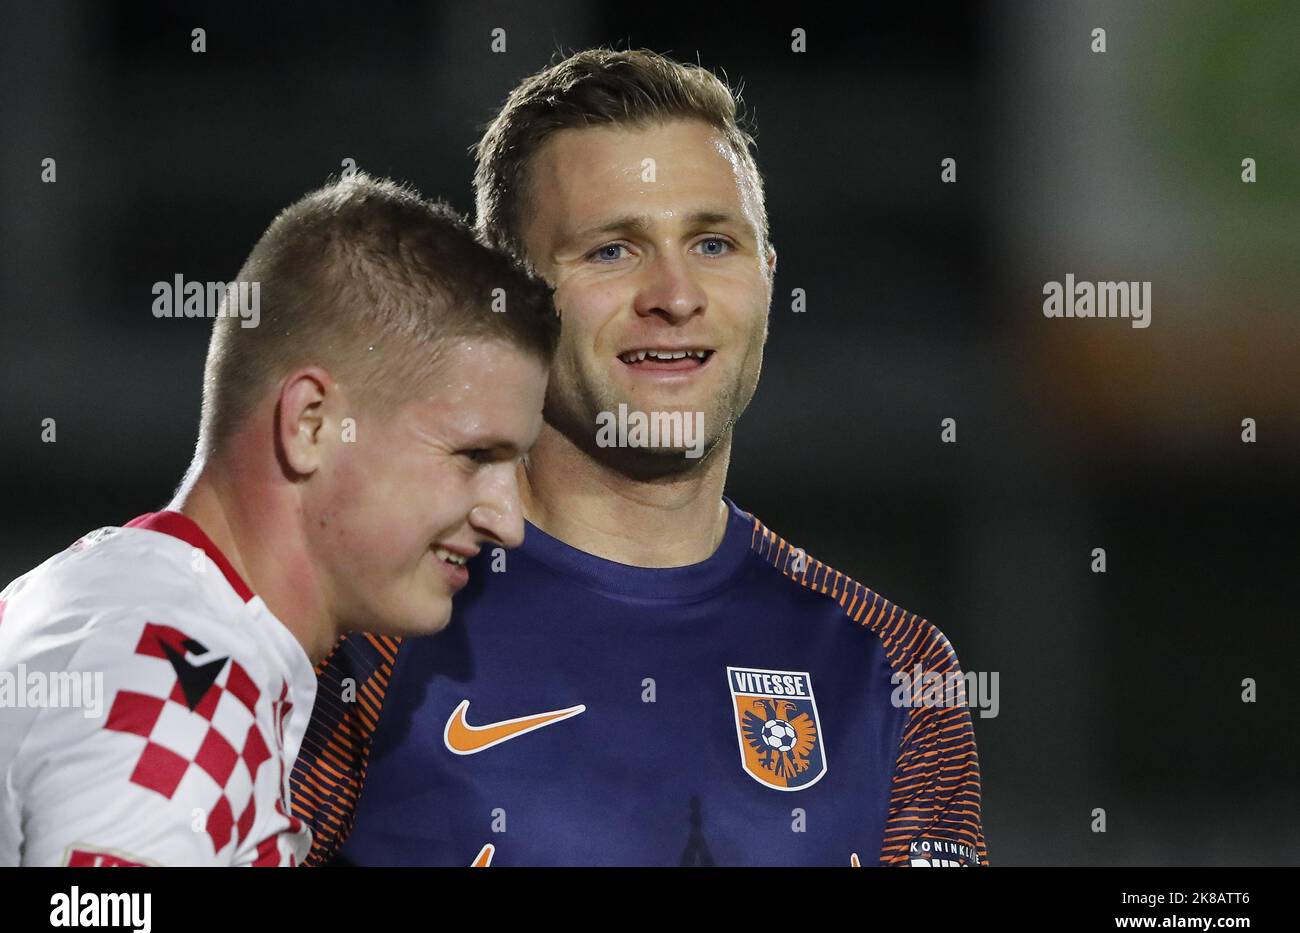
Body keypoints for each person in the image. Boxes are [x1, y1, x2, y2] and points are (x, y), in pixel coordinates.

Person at [293, 50, 987, 867]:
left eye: (713, 244)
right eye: (612, 251)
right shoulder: (351, 625)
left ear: (767, 281)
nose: (675, 295)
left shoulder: (895, 668)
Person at [0, 174, 558, 866]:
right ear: (310, 424)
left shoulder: (124, 614)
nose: (507, 520)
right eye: (475, 455)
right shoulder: (177, 688)